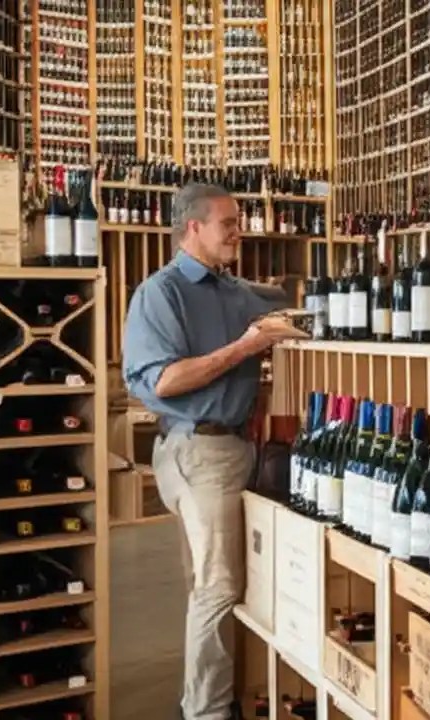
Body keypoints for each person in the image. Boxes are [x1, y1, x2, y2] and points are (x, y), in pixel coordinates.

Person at [122, 183, 300, 720]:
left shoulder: (234, 289)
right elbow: (164, 380)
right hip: (199, 450)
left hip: (234, 446)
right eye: (228, 223)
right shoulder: (161, 293)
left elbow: (290, 301)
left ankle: (225, 695)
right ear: (193, 227)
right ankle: (206, 711)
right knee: (218, 585)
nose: (238, 231)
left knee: (210, 580)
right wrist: (249, 345)